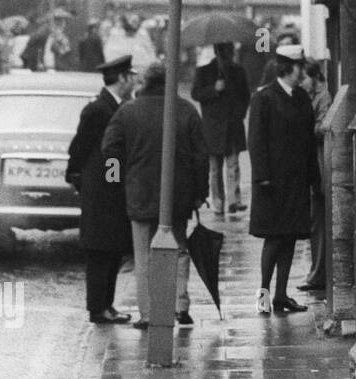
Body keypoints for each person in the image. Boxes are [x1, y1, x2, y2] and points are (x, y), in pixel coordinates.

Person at [102, 60, 208, 329]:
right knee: (180, 250)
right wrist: (200, 192)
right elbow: (201, 157)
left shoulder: (128, 111)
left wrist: (115, 180)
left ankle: (148, 313)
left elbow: (110, 149)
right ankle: (179, 305)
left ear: (145, 82)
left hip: (139, 193)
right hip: (178, 195)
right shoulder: (185, 110)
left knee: (144, 256)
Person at [247, 43, 318, 315]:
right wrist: (262, 176)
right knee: (274, 240)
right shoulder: (264, 98)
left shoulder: (301, 97)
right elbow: (256, 141)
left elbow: (308, 142)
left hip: (296, 181)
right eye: (299, 66)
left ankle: (281, 295)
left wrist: (314, 176)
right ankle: (264, 295)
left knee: (290, 238)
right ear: (289, 68)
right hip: (273, 183)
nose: (302, 71)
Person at [67, 55, 135, 325]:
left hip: (111, 190)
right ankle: (98, 308)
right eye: (131, 76)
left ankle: (107, 305)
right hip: (101, 191)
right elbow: (82, 148)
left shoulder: (117, 106)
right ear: (122, 79)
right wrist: (110, 180)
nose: (134, 81)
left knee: (113, 248)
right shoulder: (99, 110)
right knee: (100, 250)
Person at [191, 42, 249, 220]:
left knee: (233, 166)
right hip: (213, 127)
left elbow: (245, 96)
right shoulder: (204, 72)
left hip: (232, 124)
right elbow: (196, 94)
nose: (229, 56)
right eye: (226, 52)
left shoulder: (238, 71)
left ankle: (233, 200)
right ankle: (218, 202)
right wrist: (213, 89)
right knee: (215, 169)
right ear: (217, 52)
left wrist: (239, 113)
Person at [297, 59, 330, 293]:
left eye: (303, 78)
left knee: (319, 221)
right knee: (315, 221)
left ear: (313, 76)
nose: (301, 83)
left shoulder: (323, 96)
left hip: (321, 166)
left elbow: (323, 127)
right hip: (313, 167)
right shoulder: (309, 96)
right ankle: (316, 272)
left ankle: (318, 273)